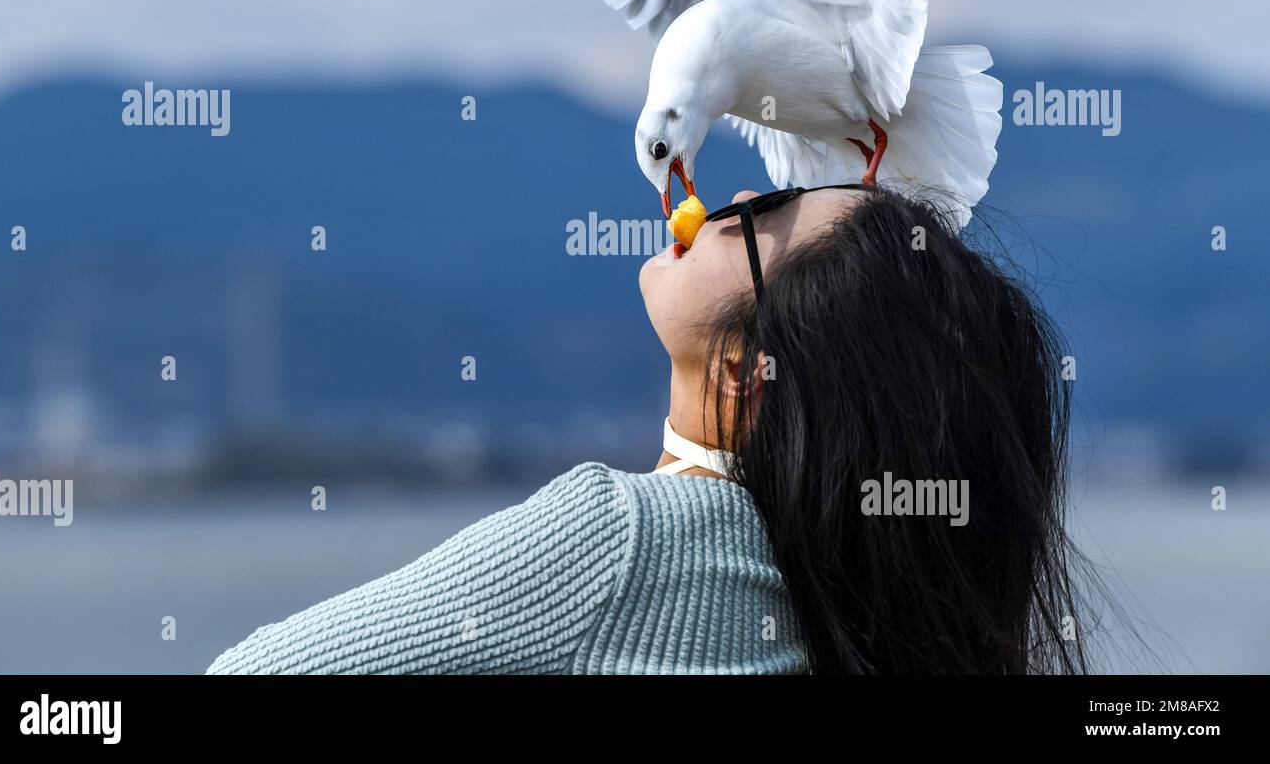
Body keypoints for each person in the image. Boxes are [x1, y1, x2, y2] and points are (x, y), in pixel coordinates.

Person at [208, 184, 1092, 674]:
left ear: (750, 369)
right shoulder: (830, 585)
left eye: (761, 213)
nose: (735, 192)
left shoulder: (624, 542)